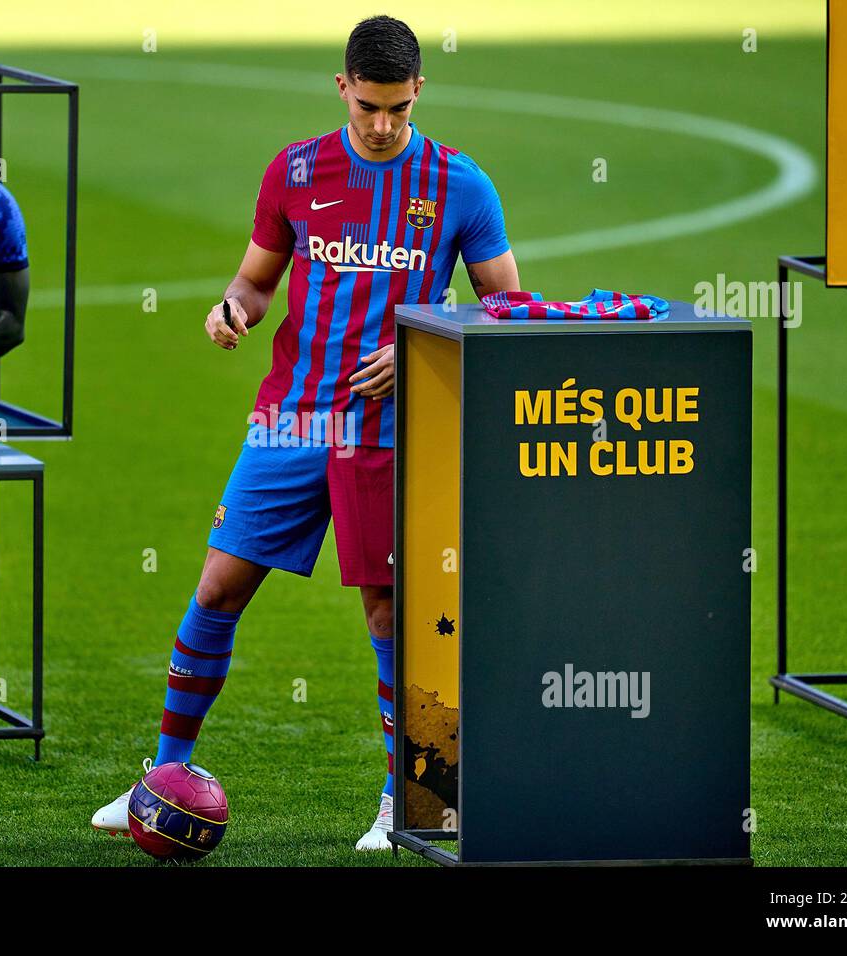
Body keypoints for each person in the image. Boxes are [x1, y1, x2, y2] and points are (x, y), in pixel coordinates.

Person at [92, 14, 520, 851]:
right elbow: (256, 282)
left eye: (398, 108)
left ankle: (411, 798)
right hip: (290, 420)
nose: (384, 125)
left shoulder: (461, 185)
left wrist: (421, 341)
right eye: (369, 107)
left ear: (419, 92)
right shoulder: (295, 171)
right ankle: (161, 775)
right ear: (342, 88)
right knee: (217, 588)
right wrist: (232, 313)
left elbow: (506, 308)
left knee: (390, 612)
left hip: (391, 432)